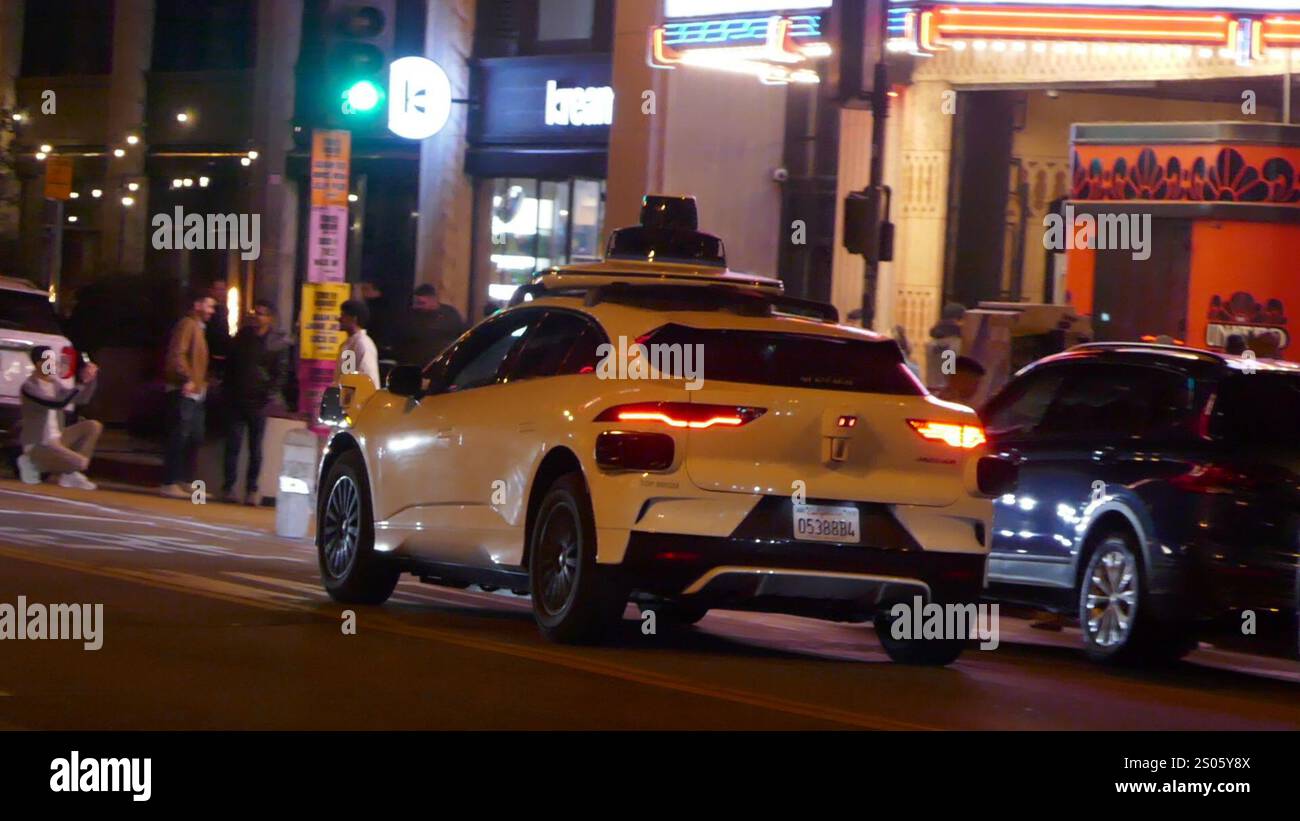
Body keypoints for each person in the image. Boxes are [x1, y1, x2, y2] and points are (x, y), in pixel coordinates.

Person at [221, 300, 289, 506]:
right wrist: (227, 388)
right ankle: (229, 487)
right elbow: (230, 365)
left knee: (255, 447)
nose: (257, 317)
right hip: (237, 398)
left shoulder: (275, 343)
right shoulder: (242, 338)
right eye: (255, 313)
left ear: (270, 318)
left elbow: (280, 373)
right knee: (232, 444)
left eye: (262, 314)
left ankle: (252, 488)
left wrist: (269, 393)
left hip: (258, 401)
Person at [17, 346, 102, 490]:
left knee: (93, 426)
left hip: (58, 439)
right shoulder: (29, 386)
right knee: (81, 463)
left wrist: (90, 380)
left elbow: (82, 399)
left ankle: (69, 476)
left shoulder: (54, 384)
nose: (54, 364)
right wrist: (80, 384)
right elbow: (56, 403)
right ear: (39, 363)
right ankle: (30, 461)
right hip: (39, 444)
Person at [161, 289, 216, 499]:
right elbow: (178, 353)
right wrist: (187, 378)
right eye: (209, 305)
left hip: (196, 392)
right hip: (184, 390)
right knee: (179, 436)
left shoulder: (198, 328)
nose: (211, 311)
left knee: (194, 436)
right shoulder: (188, 325)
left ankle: (183, 479)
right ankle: (170, 481)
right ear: (197, 305)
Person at [393, 283, 465, 366]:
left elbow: (461, 335)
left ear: (433, 300)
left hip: (444, 364)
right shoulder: (410, 316)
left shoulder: (450, 313)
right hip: (415, 364)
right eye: (416, 302)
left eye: (421, 303)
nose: (416, 306)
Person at [338, 299, 381, 388]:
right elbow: (347, 376)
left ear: (354, 318)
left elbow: (368, 379)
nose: (339, 319)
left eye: (343, 315)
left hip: (360, 401)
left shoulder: (363, 344)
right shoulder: (349, 344)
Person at [925, 302, 966, 392]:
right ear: (957, 320)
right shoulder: (957, 344)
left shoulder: (931, 343)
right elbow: (949, 374)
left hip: (932, 391)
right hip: (948, 394)